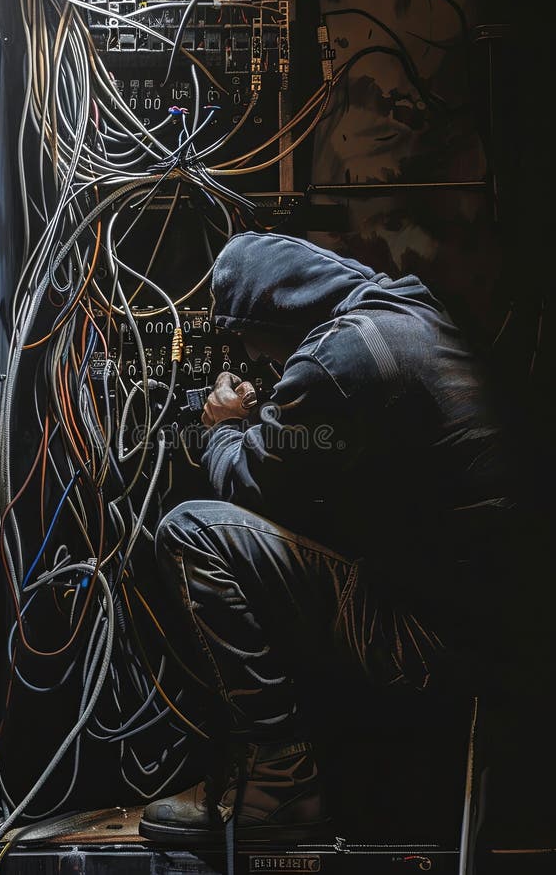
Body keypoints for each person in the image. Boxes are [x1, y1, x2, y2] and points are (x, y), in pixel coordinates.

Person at [138, 232, 513, 846]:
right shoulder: (409, 310)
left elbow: (252, 480)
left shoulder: (337, 358)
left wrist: (221, 427)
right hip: (491, 626)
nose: (263, 368)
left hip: (433, 642)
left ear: (268, 316)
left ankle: (278, 783)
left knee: (191, 535)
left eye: (255, 351)